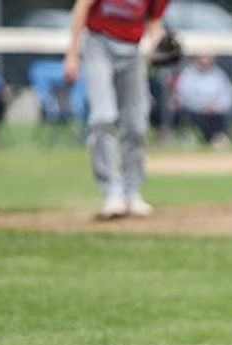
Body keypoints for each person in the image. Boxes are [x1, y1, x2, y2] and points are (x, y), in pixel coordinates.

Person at [65, 0, 170, 219]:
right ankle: (112, 192)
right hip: (98, 43)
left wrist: (158, 43)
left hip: (133, 50)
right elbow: (82, 7)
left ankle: (132, 192)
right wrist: (72, 54)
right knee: (103, 118)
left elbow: (154, 21)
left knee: (136, 124)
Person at [173, 55, 232, 150]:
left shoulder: (219, 74)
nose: (205, 60)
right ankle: (208, 139)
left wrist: (217, 106)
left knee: (222, 117)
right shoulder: (188, 74)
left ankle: (219, 139)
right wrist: (203, 105)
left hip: (216, 111)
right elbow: (184, 95)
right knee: (196, 117)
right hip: (195, 110)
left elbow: (228, 94)